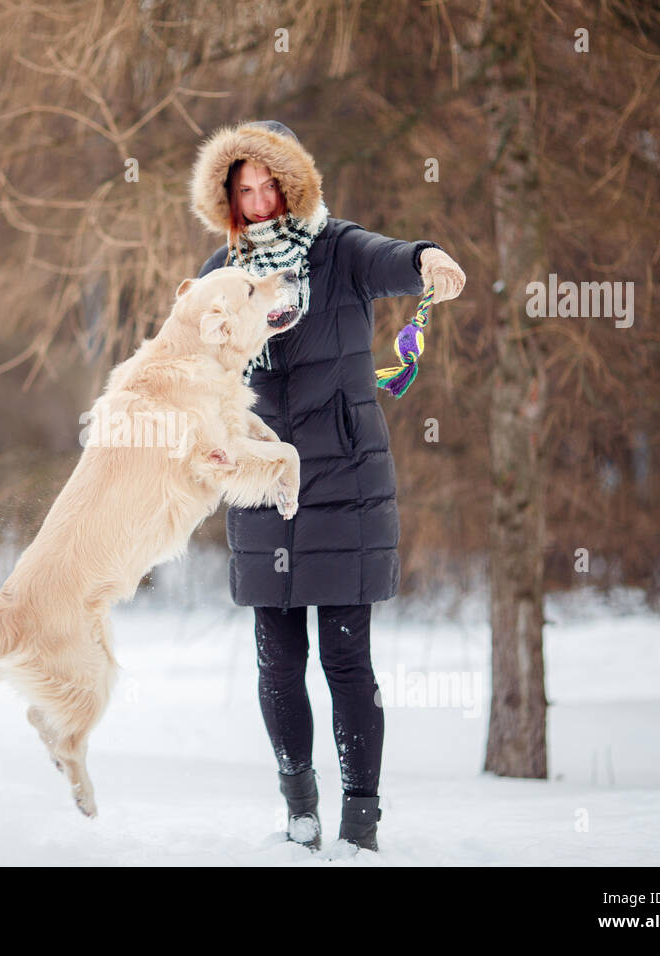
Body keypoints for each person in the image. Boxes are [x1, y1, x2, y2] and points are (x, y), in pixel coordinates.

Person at [190, 120, 466, 853]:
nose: (257, 201)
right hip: (260, 482)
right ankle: (300, 809)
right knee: (277, 657)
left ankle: (362, 821)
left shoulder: (338, 251)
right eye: (243, 190)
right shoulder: (223, 269)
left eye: (268, 185)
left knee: (347, 659)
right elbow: (194, 356)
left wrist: (428, 259)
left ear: (293, 182)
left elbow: (392, 259)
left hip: (342, 480)